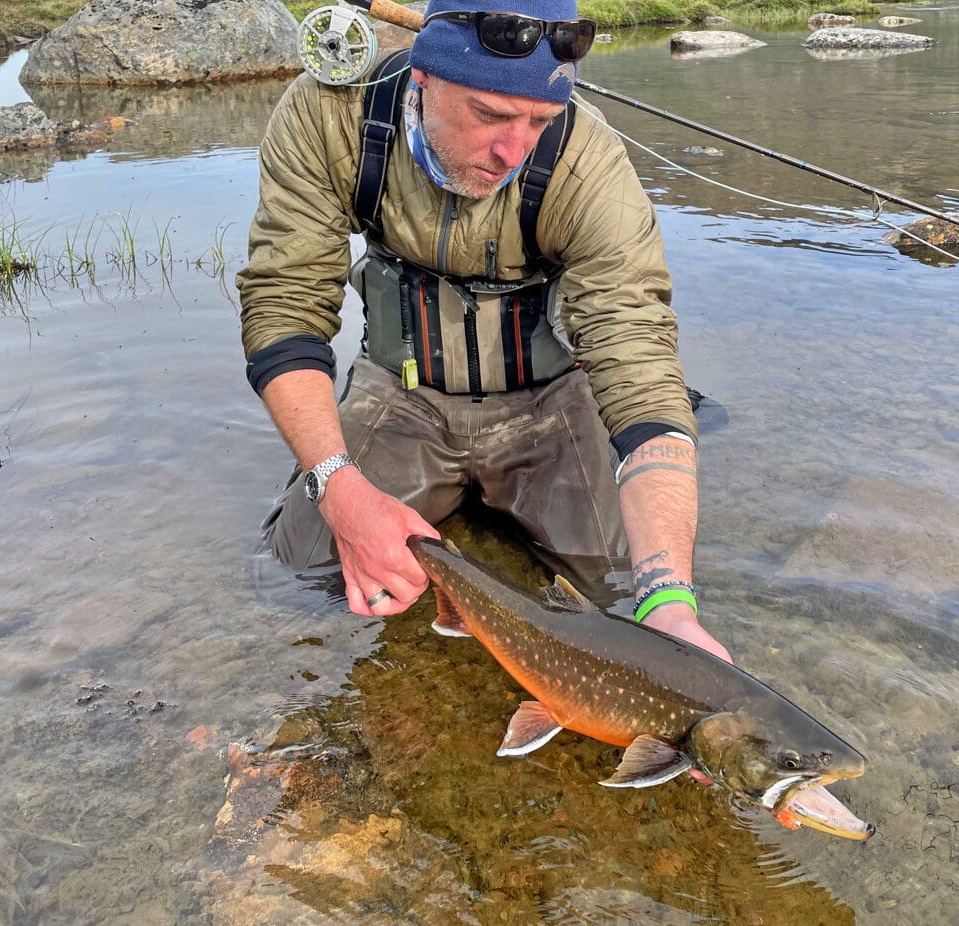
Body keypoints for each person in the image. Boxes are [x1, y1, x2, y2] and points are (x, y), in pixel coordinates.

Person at [236, 0, 729, 661]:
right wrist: (340, 486)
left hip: (549, 406)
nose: (511, 151)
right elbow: (285, 305)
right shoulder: (331, 118)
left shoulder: (588, 162)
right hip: (402, 393)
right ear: (422, 80)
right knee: (298, 568)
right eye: (491, 115)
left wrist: (670, 602)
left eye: (539, 120)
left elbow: (638, 359)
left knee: (618, 587)